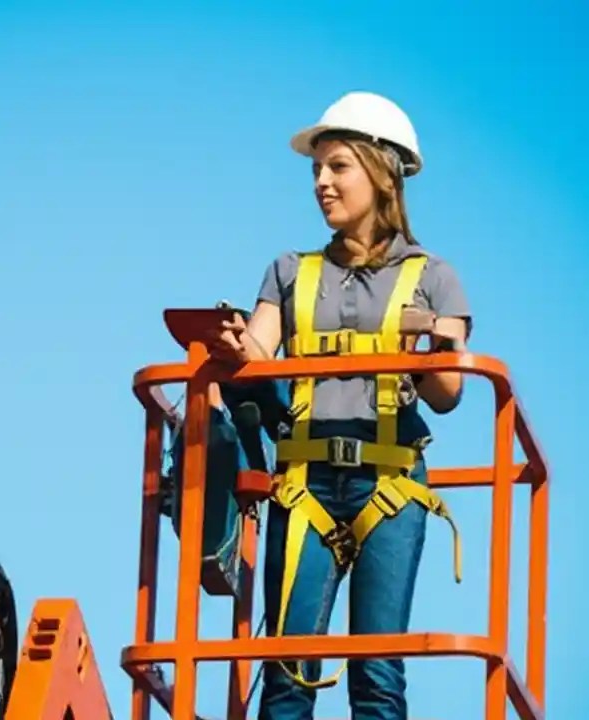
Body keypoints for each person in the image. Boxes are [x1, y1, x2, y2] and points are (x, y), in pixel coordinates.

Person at [209, 91, 472, 720]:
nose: (322, 183)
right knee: (287, 671)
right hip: (304, 486)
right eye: (316, 171)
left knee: (377, 672)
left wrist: (432, 338)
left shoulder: (433, 276)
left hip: (389, 484)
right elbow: (260, 350)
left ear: (382, 175)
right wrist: (230, 344)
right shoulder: (288, 271)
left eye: (337, 167)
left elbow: (449, 396)